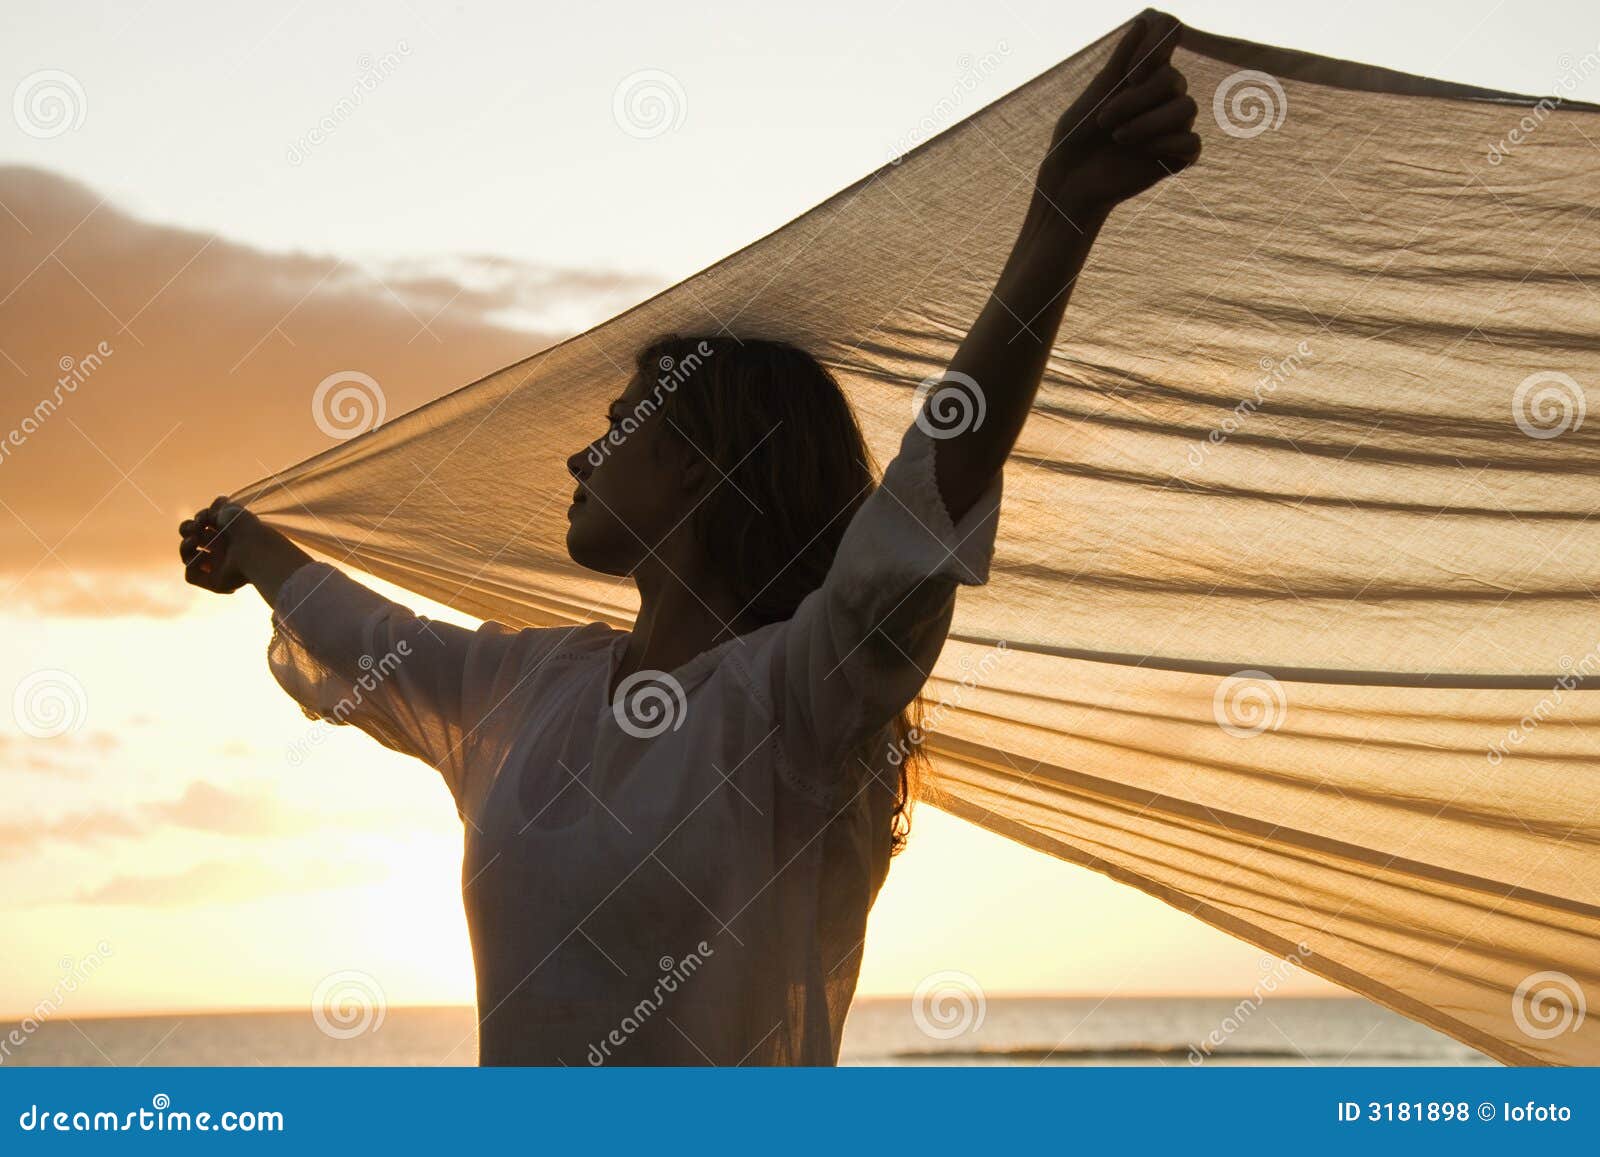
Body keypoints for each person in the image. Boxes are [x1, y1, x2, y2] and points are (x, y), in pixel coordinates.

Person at [177, 14, 1199, 1065]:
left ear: (711, 464)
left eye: (621, 424)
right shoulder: (528, 686)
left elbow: (931, 489)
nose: (581, 458)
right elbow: (366, 631)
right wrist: (251, 546)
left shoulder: (796, 699)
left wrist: (1059, 221)